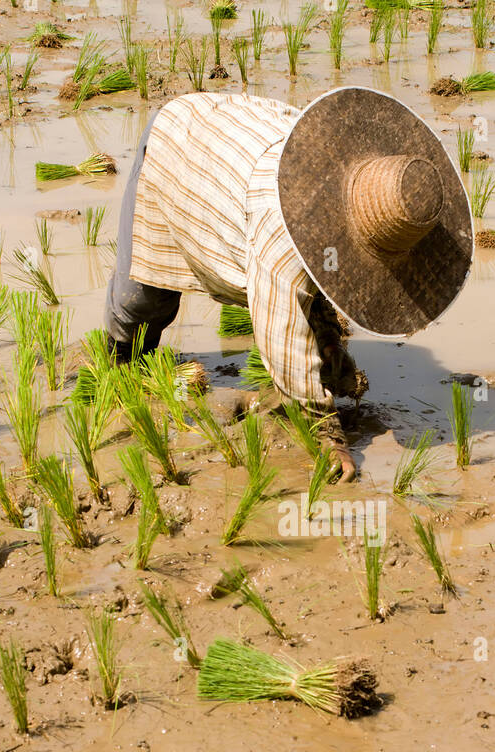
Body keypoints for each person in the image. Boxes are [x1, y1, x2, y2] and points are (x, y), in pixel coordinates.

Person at [105, 85, 474, 481]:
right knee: (142, 298)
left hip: (239, 137)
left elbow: (324, 277)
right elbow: (284, 337)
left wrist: (331, 351)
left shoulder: (351, 178)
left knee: (312, 291)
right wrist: (325, 432)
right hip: (181, 142)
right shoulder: (280, 230)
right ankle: (118, 366)